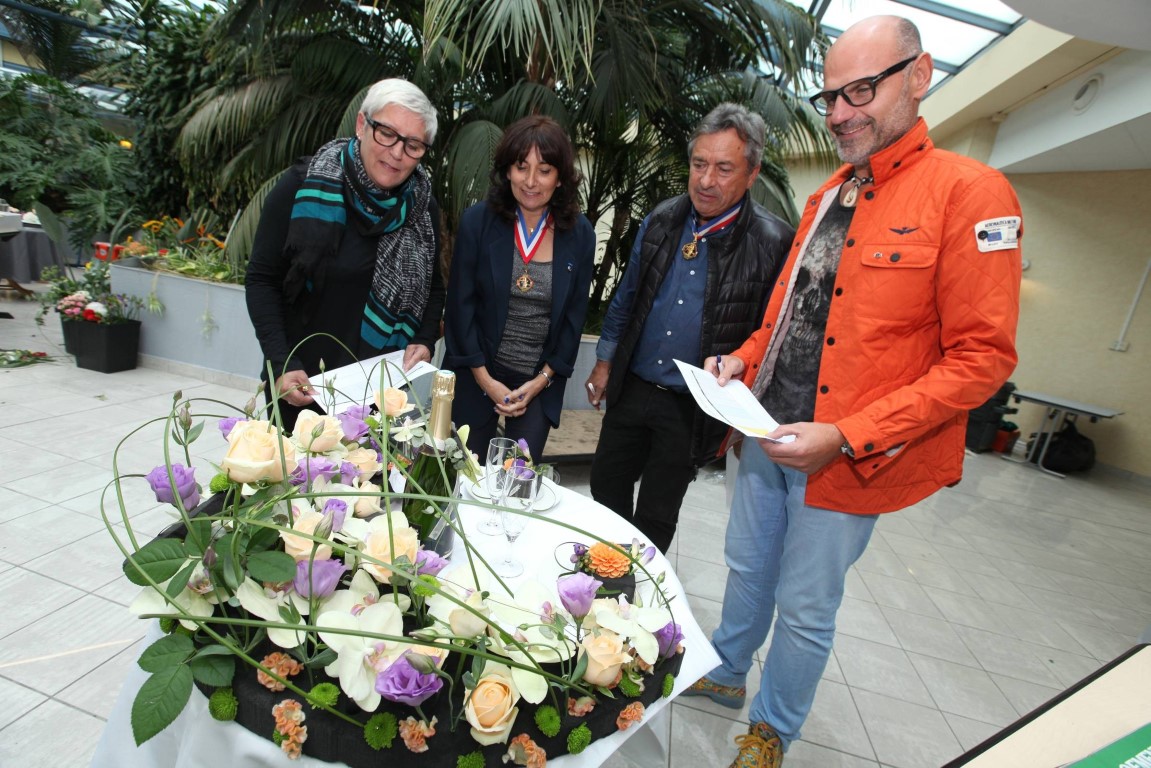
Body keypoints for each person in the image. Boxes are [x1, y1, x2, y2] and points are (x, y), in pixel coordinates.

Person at [682, 16, 1024, 767]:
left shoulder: (970, 193)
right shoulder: (828, 193)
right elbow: (785, 313)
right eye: (831, 94)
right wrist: (741, 359)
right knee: (746, 568)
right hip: (767, 430)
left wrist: (845, 435)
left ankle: (771, 730)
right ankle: (726, 674)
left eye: (860, 90)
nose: (839, 113)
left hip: (846, 457)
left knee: (805, 605)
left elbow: (980, 359)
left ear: (920, 75)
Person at [584, 103, 793, 553]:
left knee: (659, 509)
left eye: (723, 169)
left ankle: (633, 591)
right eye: (699, 164)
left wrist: (745, 417)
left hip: (693, 404)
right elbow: (627, 297)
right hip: (634, 385)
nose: (705, 180)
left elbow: (772, 338)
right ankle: (610, 560)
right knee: (605, 484)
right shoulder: (662, 219)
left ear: (752, 173)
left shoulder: (773, 243)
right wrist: (604, 362)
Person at [245, 78, 445, 431]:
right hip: (303, 386)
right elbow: (262, 279)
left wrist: (425, 340)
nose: (397, 152)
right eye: (387, 133)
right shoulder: (301, 186)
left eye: (413, 144)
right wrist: (281, 363)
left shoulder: (423, 209)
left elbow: (434, 288)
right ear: (361, 125)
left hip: (384, 392)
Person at [444, 115, 595, 460]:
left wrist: (540, 382)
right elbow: (459, 311)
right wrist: (487, 382)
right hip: (477, 373)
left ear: (560, 178)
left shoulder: (580, 234)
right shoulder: (477, 223)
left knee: (517, 483)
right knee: (464, 480)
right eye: (520, 167)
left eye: (544, 170)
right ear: (507, 170)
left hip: (538, 381)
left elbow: (573, 319)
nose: (530, 181)